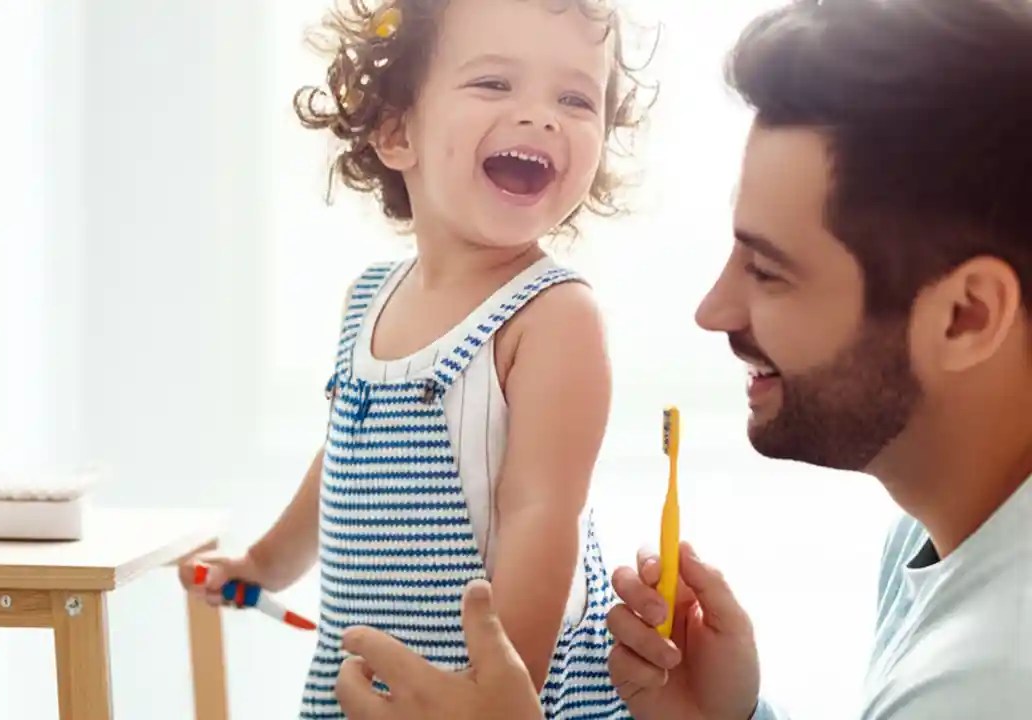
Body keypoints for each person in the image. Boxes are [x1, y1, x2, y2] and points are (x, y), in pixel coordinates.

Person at [333, 0, 1032, 717]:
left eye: (768, 270)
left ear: (966, 316)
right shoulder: (937, 536)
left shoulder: (988, 679)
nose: (712, 311)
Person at [180, 0, 645, 716]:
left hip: (497, 694)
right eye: (495, 84)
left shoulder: (554, 316)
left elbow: (541, 516)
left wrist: (498, 693)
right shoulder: (368, 299)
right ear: (397, 131)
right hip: (371, 688)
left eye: (576, 97)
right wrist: (264, 565)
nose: (542, 116)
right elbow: (345, 452)